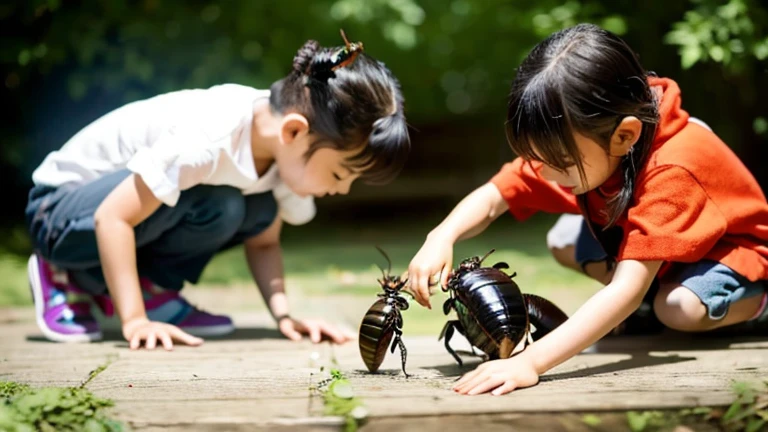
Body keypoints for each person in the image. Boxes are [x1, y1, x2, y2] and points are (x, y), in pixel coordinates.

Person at [406, 23, 767, 396]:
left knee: (677, 310)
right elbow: (497, 194)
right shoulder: (590, 142)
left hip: (731, 253)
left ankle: (759, 304)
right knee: (564, 238)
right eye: (535, 157)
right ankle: (648, 309)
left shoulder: (673, 169)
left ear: (625, 136)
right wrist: (442, 236)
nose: (543, 172)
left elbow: (626, 288)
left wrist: (528, 362)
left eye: (558, 162)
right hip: (665, 250)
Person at [24, 30, 410, 351]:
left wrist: (285, 317)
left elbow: (264, 242)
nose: (340, 191)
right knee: (212, 196)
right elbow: (112, 218)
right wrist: (135, 321)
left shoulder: (285, 155)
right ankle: (58, 271)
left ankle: (148, 288)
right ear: (294, 131)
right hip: (59, 212)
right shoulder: (208, 138)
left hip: (118, 218)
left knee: (255, 208)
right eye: (340, 174)